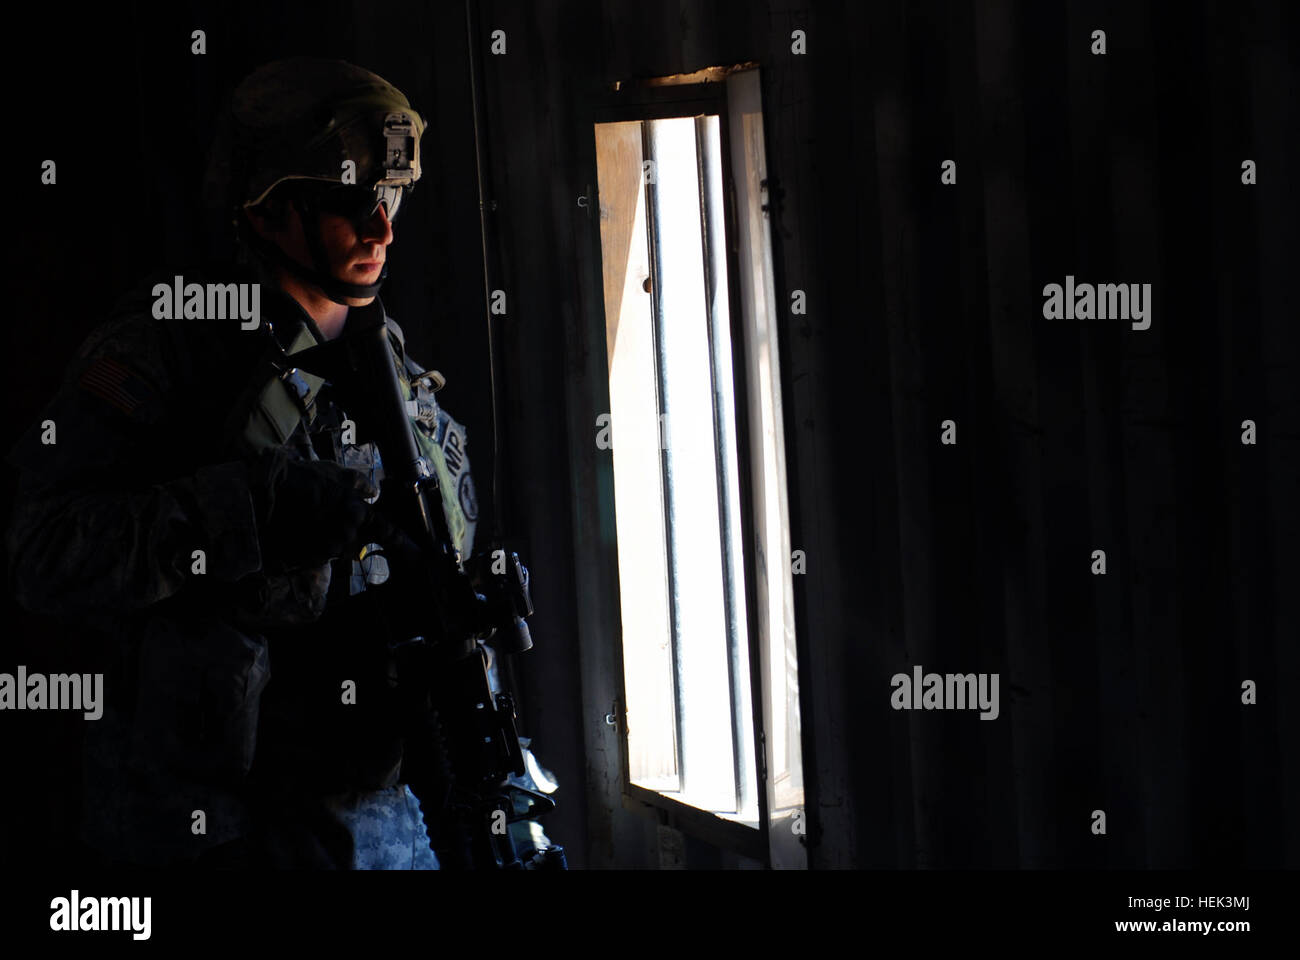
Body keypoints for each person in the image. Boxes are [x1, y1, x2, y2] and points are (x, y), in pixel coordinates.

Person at [6, 57, 482, 869]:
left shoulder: (397, 376)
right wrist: (240, 514)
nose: (382, 227)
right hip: (207, 835)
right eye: (348, 199)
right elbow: (41, 552)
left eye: (393, 195)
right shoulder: (168, 349)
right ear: (267, 210)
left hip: (374, 828)